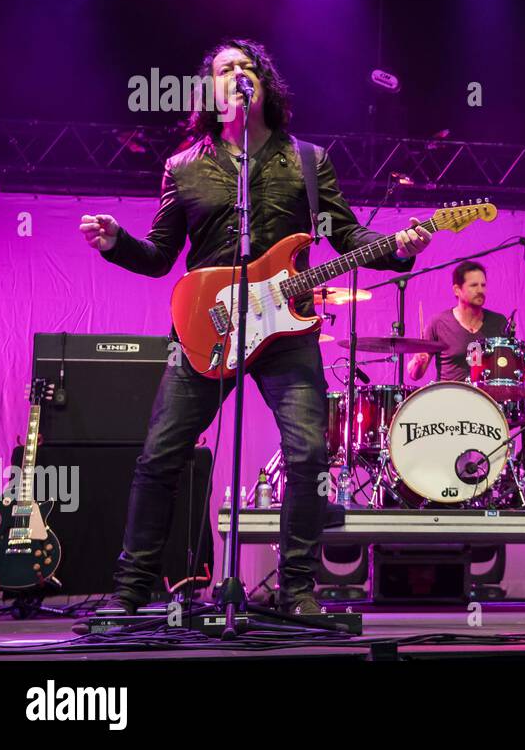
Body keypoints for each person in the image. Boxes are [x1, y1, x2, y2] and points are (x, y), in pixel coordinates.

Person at [78, 37, 432, 619]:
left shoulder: (310, 161)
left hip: (286, 332)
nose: (237, 74)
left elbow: (345, 236)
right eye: (224, 69)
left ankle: (296, 589)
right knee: (160, 456)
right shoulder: (183, 166)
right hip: (204, 328)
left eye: (247, 67)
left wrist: (399, 247)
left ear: (264, 83)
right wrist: (117, 243)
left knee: (310, 454)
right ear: (211, 89)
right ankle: (132, 587)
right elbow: (161, 256)